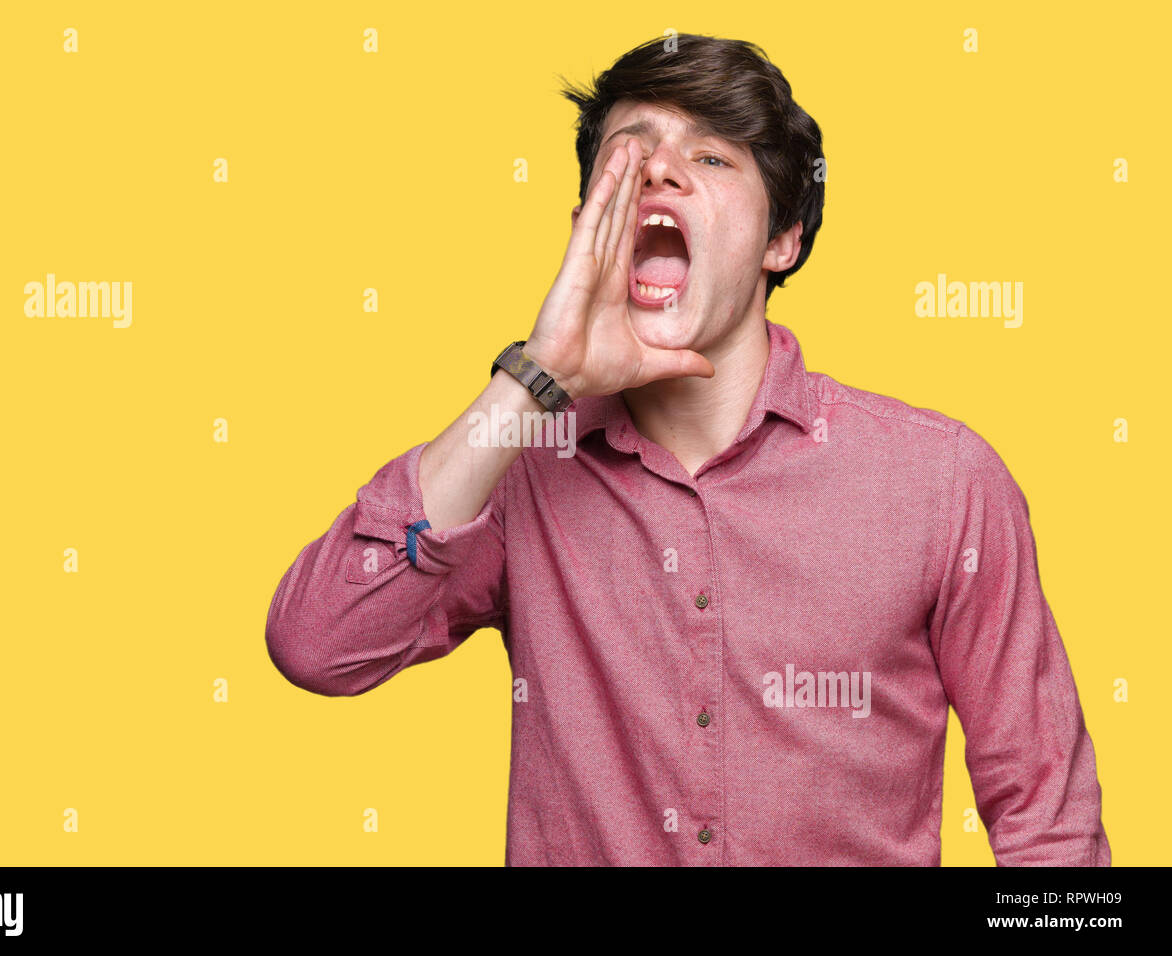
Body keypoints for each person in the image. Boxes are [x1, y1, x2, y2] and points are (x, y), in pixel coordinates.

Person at [265, 34, 1110, 866]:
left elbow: (1047, 818)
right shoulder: (520, 469)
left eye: (711, 159)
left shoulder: (941, 481)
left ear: (784, 239)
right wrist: (534, 379)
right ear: (586, 230)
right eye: (628, 159)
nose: (660, 171)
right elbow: (317, 646)